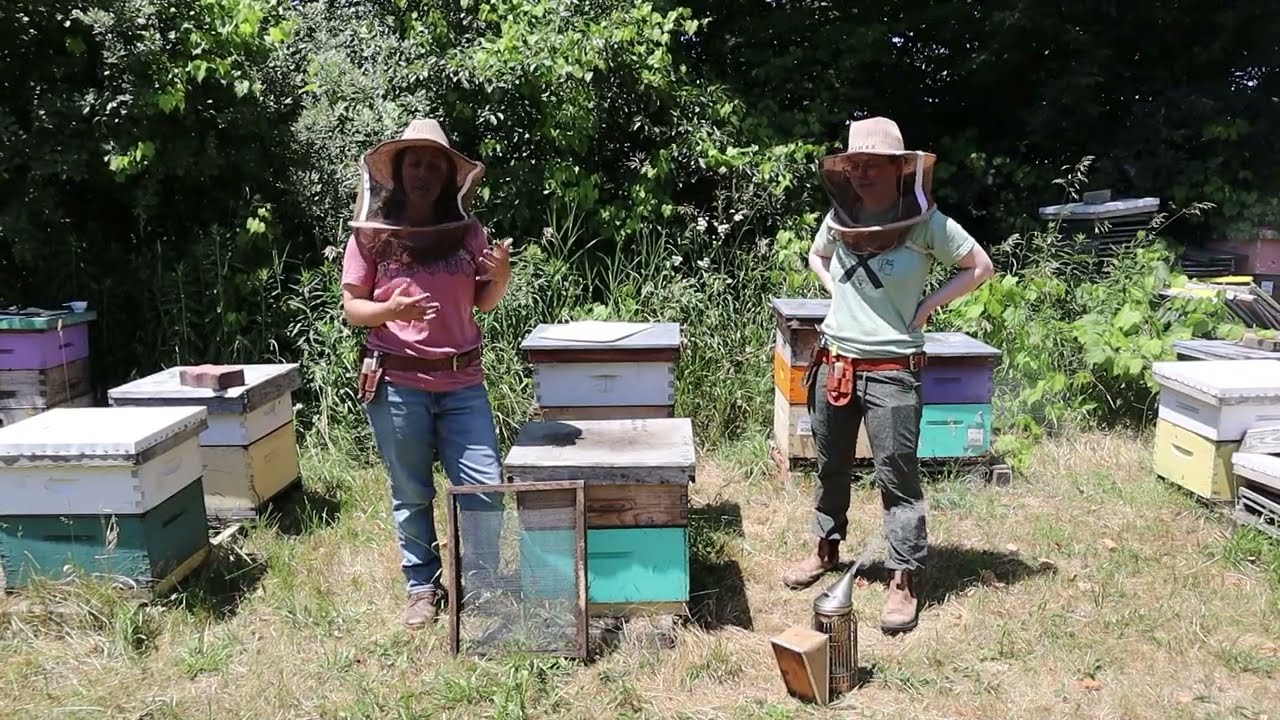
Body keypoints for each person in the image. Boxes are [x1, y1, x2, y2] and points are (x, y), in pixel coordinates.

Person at [781, 117, 994, 635]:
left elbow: (979, 266)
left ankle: (903, 577)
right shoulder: (839, 216)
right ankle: (826, 548)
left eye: (871, 165)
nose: (860, 174)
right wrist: (836, 291)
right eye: (854, 165)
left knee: (896, 477)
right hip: (833, 362)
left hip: (892, 370)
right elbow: (817, 255)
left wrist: (925, 308)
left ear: (899, 169)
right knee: (830, 464)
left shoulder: (928, 224)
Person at [340, 118, 512, 629]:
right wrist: (392, 311)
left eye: (433, 163)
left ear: (447, 174)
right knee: (411, 491)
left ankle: (480, 585)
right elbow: (352, 309)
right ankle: (422, 586)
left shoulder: (467, 231)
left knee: (484, 486)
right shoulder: (372, 236)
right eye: (413, 161)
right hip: (396, 383)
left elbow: (484, 302)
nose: (423, 171)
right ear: (397, 170)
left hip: (462, 381)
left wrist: (499, 276)